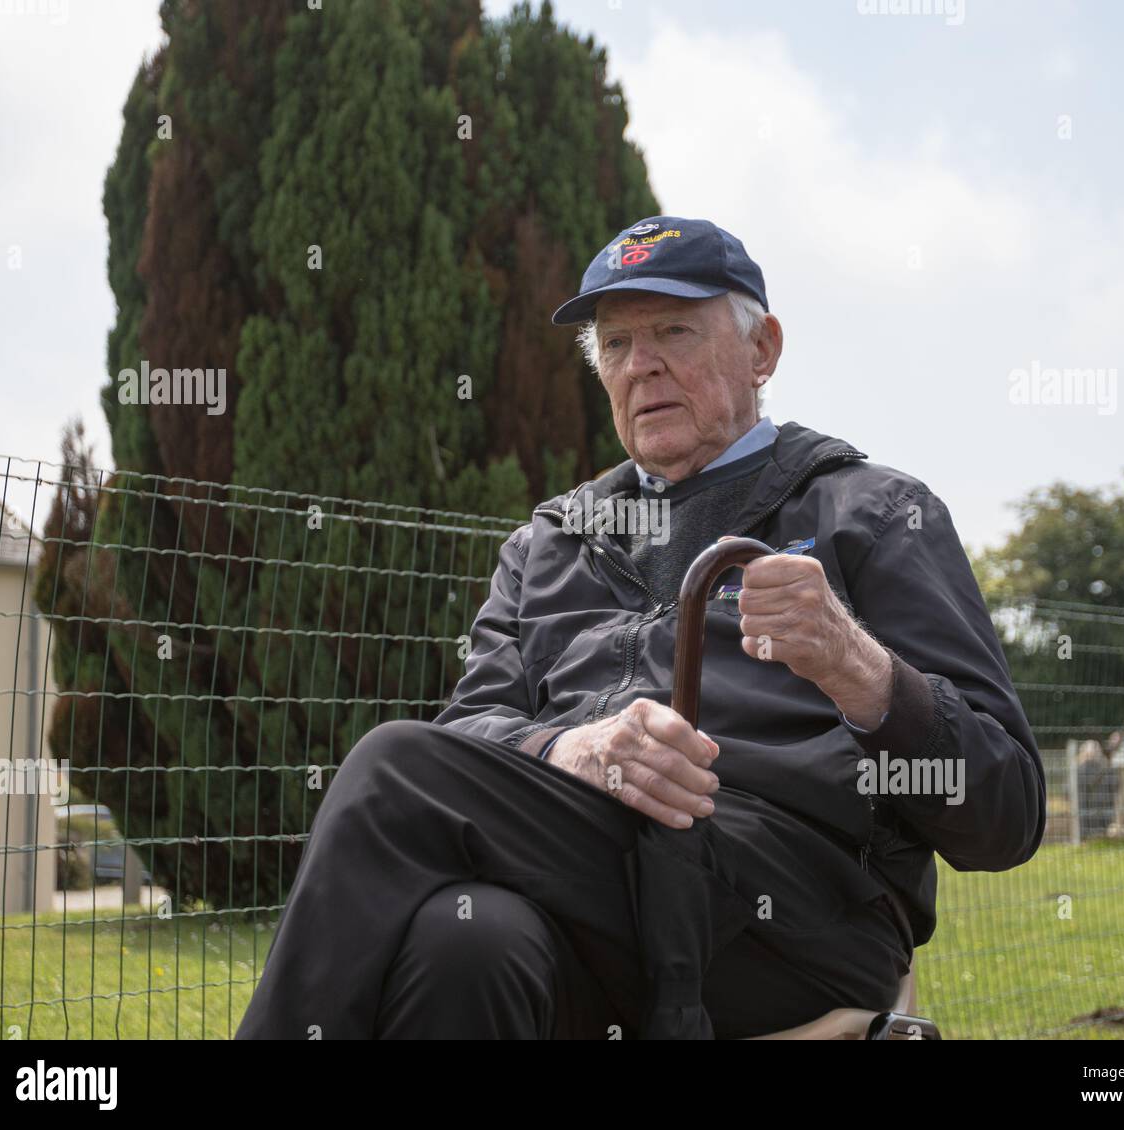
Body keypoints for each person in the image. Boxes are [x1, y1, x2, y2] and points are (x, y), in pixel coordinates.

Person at [235, 215, 1046, 1040]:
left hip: (795, 915)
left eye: (673, 331)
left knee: (392, 767)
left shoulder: (872, 512)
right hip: (593, 895)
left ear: (762, 350)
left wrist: (858, 667)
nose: (641, 364)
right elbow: (475, 727)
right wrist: (567, 751)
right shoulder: (547, 542)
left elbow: (1006, 815)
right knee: (466, 943)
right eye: (615, 344)